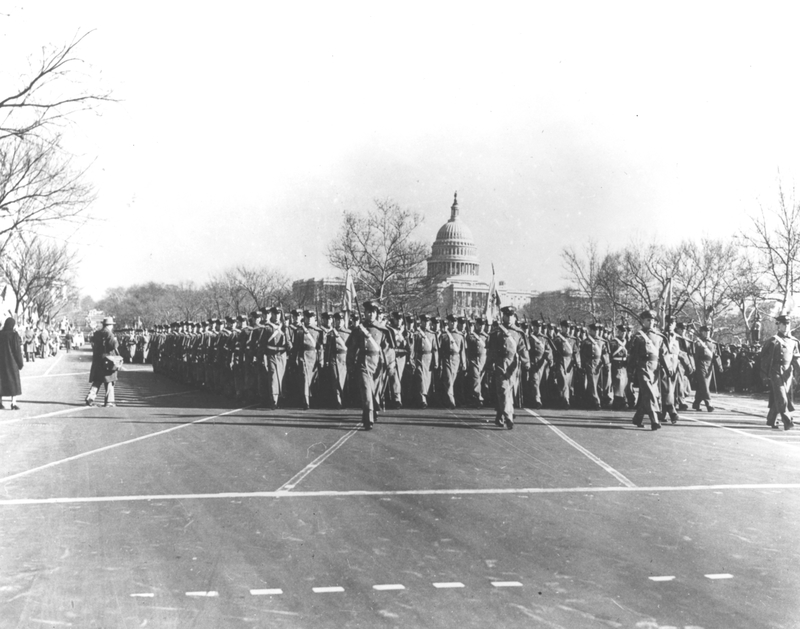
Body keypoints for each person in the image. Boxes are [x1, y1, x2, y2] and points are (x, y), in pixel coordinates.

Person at [347, 300, 393, 429]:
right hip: (363, 363)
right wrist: (350, 364)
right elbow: (351, 349)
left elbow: (387, 349)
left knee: (375, 392)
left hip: (378, 364)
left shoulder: (382, 330)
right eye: (368, 312)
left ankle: (373, 411)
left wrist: (390, 364)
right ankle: (368, 419)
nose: (370, 315)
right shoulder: (359, 330)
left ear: (376, 314)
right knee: (367, 391)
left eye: (373, 312)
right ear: (365, 313)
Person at [486, 305, 530, 429]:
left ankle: (500, 415)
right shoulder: (497, 332)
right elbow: (492, 351)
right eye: (507, 316)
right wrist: (489, 366)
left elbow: (523, 349)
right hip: (501, 364)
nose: (510, 318)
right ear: (503, 316)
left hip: (513, 366)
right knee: (503, 390)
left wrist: (526, 363)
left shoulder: (518, 332)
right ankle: (509, 416)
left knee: (510, 392)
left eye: (511, 316)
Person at [759, 314, 799, 430]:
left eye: (787, 324)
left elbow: (796, 359)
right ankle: (787, 421)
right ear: (778, 325)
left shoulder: (794, 342)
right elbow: (764, 359)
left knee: (781, 396)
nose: (786, 326)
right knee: (781, 397)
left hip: (788, 373)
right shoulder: (772, 341)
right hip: (775, 371)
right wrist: (764, 375)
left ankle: (771, 419)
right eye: (783, 324)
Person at [627, 309, 663, 430]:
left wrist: (667, 369)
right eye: (648, 320)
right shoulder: (638, 336)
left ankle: (638, 418)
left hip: (655, 367)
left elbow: (663, 354)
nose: (651, 322)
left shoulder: (659, 336)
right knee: (649, 392)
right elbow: (632, 355)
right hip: (643, 366)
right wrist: (630, 372)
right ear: (643, 321)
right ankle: (654, 420)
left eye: (653, 320)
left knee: (647, 394)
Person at [86, 317, 120, 407]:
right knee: (109, 380)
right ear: (110, 325)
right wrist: (116, 340)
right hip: (108, 359)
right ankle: (109, 401)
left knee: (97, 380)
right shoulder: (109, 334)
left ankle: (90, 397)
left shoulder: (97, 333)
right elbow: (114, 345)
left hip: (98, 359)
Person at [693, 325, 723, 412]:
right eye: (705, 331)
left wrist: (719, 365)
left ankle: (696, 402)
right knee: (704, 384)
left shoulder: (713, 343)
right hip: (700, 364)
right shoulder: (698, 342)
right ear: (701, 332)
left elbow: (716, 355)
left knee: (702, 385)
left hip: (709, 365)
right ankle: (708, 403)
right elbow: (695, 355)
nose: (707, 333)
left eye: (708, 331)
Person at [0, 317, 24, 409]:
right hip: (12, 362)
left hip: (1, 362)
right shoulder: (14, 335)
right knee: (13, 382)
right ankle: (13, 403)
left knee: (1, 382)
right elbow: (17, 350)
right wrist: (20, 363)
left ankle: (0, 402)